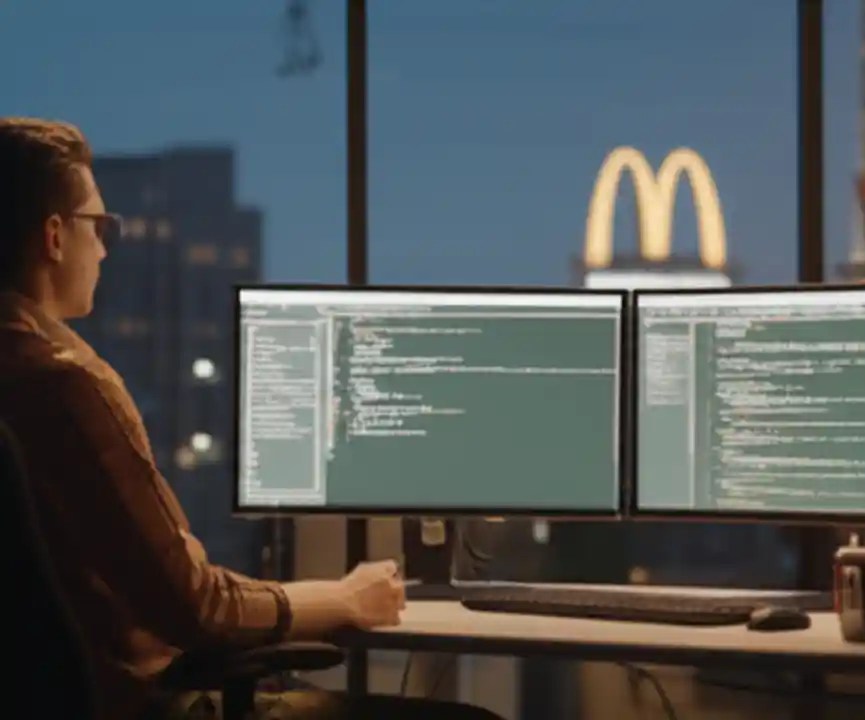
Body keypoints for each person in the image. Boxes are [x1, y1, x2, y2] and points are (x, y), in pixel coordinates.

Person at [0, 118, 501, 719]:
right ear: (55, 237)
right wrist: (345, 598)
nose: (105, 248)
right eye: (99, 226)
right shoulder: (66, 389)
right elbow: (197, 608)